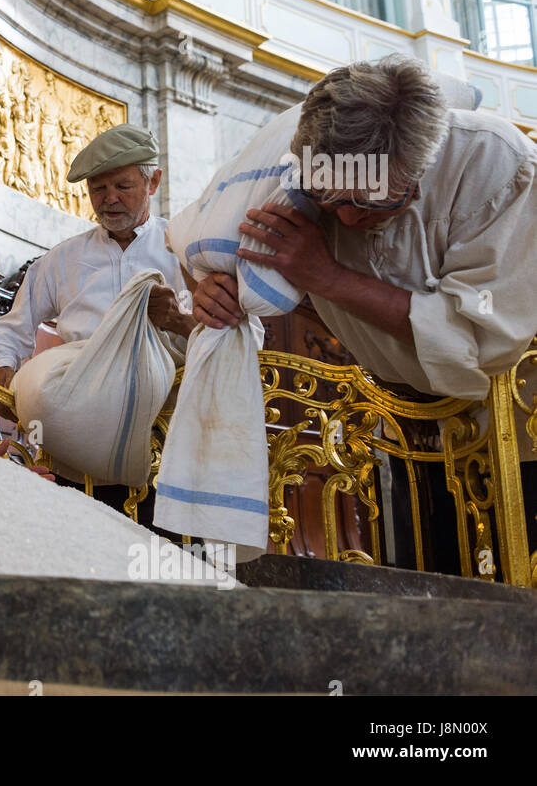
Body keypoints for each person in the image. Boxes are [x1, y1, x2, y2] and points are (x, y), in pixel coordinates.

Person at [188, 55, 537, 571]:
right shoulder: (302, 182)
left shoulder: (498, 166)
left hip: (513, 415)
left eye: (375, 202)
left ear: (424, 164)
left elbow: (475, 337)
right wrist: (217, 288)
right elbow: (246, 265)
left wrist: (326, 275)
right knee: (419, 564)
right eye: (332, 200)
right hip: (387, 415)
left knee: (512, 579)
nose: (348, 217)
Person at [0, 123, 196, 391]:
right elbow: (9, 329)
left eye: (123, 186)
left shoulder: (186, 247)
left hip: (171, 406)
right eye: (98, 188)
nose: (109, 198)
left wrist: (182, 321)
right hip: (81, 402)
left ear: (153, 182)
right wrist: (1, 369)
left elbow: (236, 338)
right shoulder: (62, 260)